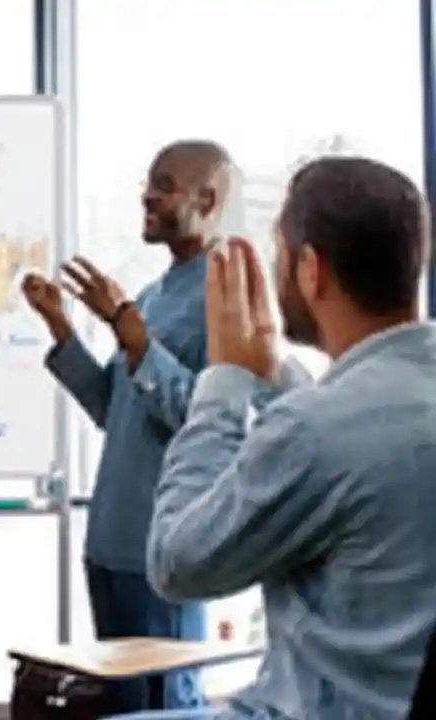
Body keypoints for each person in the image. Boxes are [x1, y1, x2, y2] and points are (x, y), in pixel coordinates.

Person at [140, 157, 436, 718]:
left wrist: (224, 382)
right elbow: (348, 436)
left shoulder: (316, 429)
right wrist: (275, 367)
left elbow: (176, 563)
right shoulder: (364, 409)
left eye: (280, 253)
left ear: (310, 269)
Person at [21, 140, 233, 712]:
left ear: (207, 199)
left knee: (164, 707)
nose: (148, 196)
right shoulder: (154, 294)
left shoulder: (223, 299)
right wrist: (61, 328)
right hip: (110, 542)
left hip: (162, 548)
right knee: (120, 705)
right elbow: (111, 411)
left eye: (165, 185)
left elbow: (206, 420)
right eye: (149, 183)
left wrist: (128, 331)